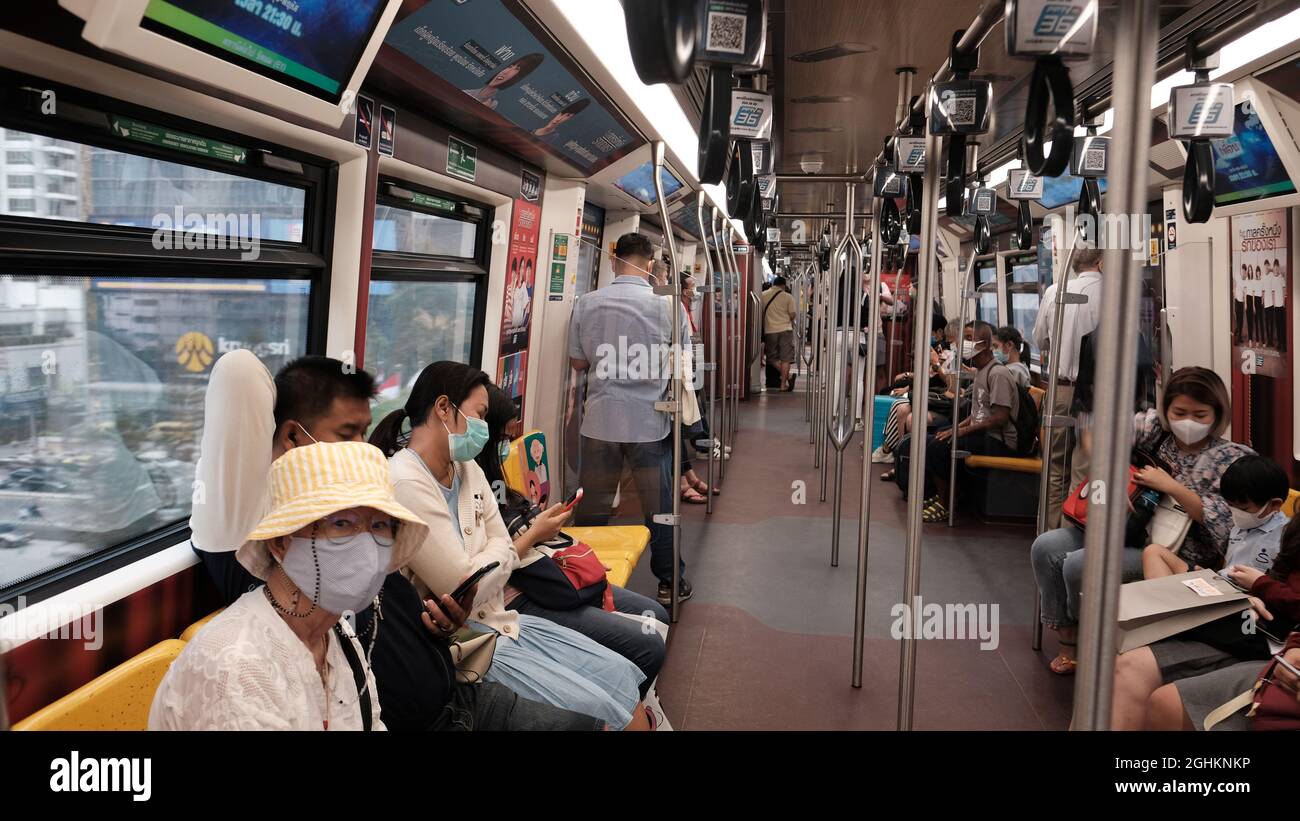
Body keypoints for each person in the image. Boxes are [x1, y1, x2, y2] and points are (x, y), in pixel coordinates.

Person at [371, 361, 652, 729]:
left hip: (505, 622)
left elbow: (498, 548)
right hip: (468, 644)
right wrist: (495, 555)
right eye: (479, 415)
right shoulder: (405, 481)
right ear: (443, 408)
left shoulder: (465, 468)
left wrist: (491, 556)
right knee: (597, 708)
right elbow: (461, 585)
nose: (483, 430)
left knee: (622, 677)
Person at [150, 440, 427, 730]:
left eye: (380, 526)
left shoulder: (336, 633)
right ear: (281, 543)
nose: (368, 549)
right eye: (342, 524)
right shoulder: (237, 669)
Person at [1031, 366, 1254, 675]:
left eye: (1199, 415)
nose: (1187, 421)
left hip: (1173, 552)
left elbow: (1224, 522)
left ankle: (1096, 644)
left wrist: (1171, 487)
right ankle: (1069, 638)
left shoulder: (1232, 457)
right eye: (1179, 412)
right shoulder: (1154, 429)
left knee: (1080, 565)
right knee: (1046, 546)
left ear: (1217, 414)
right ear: (1166, 409)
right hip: (1127, 528)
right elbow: (1093, 427)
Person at [476, 384, 669, 689]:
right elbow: (492, 565)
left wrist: (578, 561)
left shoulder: (490, 479)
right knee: (647, 643)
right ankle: (625, 710)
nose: (507, 444)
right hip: (520, 595)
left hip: (542, 571)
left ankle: (637, 702)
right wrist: (537, 532)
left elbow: (521, 537)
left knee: (656, 614)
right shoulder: (469, 486)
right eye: (503, 438)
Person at [569, 232, 692, 606]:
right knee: (660, 510)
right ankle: (670, 582)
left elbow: (578, 362)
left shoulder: (587, 303)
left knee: (593, 507)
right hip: (649, 423)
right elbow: (684, 363)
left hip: (601, 423)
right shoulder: (669, 306)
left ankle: (586, 583)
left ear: (613, 259)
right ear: (651, 265)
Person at [1116, 508, 1300, 731]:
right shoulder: (1290, 533)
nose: (1239, 510)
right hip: (1256, 622)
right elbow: (1275, 576)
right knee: (1128, 664)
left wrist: (1262, 586)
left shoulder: (1272, 530)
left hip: (1271, 643)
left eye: (1246, 504)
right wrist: (1252, 596)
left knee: (1167, 703)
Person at [898, 321, 1019, 523]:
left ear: (985, 343)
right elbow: (979, 412)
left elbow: (1000, 417)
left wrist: (962, 432)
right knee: (934, 438)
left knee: (939, 447)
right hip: (983, 433)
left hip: (999, 441)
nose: (964, 343)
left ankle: (947, 505)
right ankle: (944, 495)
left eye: (970, 338)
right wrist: (958, 428)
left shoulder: (997, 374)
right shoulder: (981, 371)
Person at [1033, 247, 1103, 530]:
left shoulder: (1054, 291)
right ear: (1101, 263)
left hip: (1060, 391)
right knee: (1084, 471)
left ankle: (1050, 539)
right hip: (1096, 395)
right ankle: (1073, 535)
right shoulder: (1114, 293)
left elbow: (1040, 340)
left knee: (1055, 469)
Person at [1143, 455, 1288, 579]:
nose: (1236, 513)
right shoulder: (1242, 526)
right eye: (1232, 506)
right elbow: (1228, 564)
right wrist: (1212, 575)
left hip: (1245, 594)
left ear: (1274, 504)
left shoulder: (1285, 536)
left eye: (1244, 509)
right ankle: (1170, 607)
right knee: (1153, 551)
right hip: (1219, 582)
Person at [465, 53, 544, 110]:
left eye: (517, 69)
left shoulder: (493, 104)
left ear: (520, 76)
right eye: (510, 66)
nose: (505, 72)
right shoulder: (468, 92)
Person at [761, 275, 798, 392]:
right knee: (785, 359)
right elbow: (792, 314)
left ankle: (789, 377)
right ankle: (783, 384)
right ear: (783, 285)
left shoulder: (763, 295)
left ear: (773, 284)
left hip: (770, 330)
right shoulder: (788, 297)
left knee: (772, 358)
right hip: (785, 330)